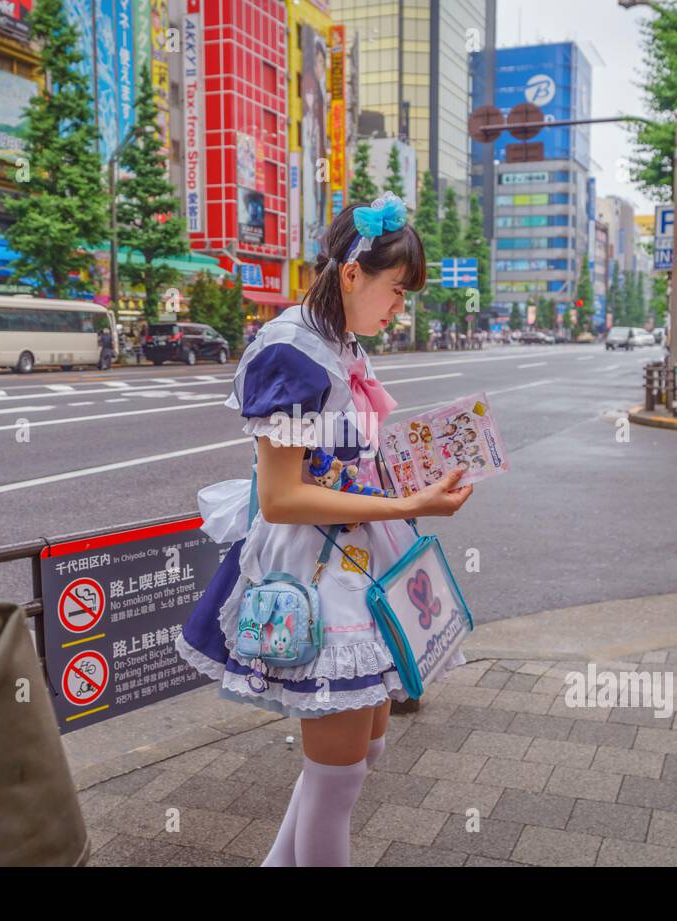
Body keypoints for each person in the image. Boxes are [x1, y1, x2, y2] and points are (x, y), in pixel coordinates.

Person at [174, 194, 474, 867]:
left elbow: (344, 462)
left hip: (352, 560)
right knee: (338, 775)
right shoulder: (293, 351)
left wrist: (414, 477)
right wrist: (404, 507)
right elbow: (281, 498)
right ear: (351, 274)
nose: (400, 308)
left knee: (357, 755)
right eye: (396, 290)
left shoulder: (338, 345)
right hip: (317, 570)